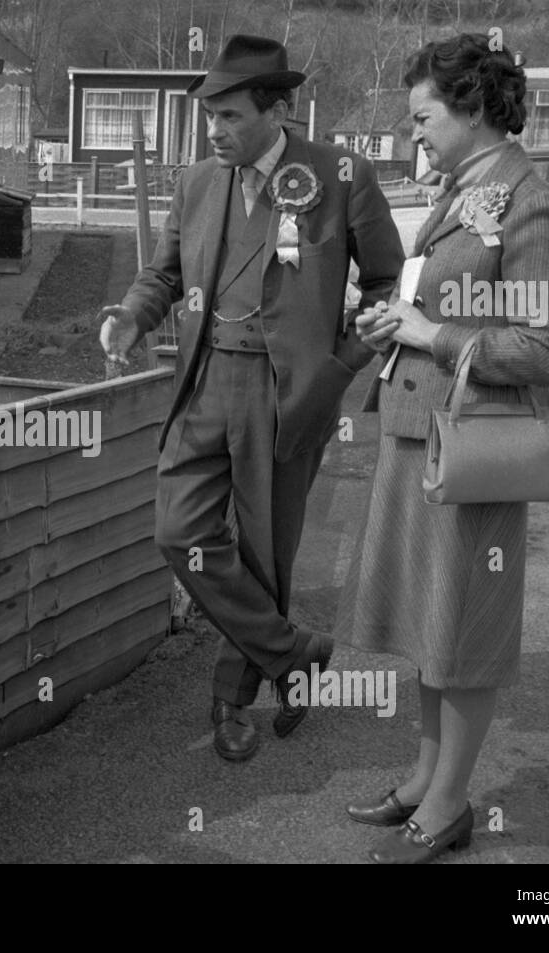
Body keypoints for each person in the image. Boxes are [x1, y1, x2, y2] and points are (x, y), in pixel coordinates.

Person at [98, 35, 403, 762]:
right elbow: (164, 272)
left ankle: (230, 698)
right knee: (179, 532)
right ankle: (291, 653)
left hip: (287, 393)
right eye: (210, 115)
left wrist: (344, 362)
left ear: (278, 109)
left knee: (264, 551)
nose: (214, 130)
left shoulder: (340, 174)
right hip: (204, 382)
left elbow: (392, 280)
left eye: (230, 115)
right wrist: (133, 315)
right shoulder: (200, 180)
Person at [339, 35, 549, 863]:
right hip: (424, 431)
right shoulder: (465, 191)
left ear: (473, 107)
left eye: (423, 119)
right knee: (427, 624)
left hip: (476, 445)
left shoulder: (529, 204)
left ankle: (446, 807)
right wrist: (392, 331)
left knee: (464, 633)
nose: (414, 139)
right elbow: (439, 304)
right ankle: (422, 777)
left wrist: (432, 333)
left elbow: (547, 346)